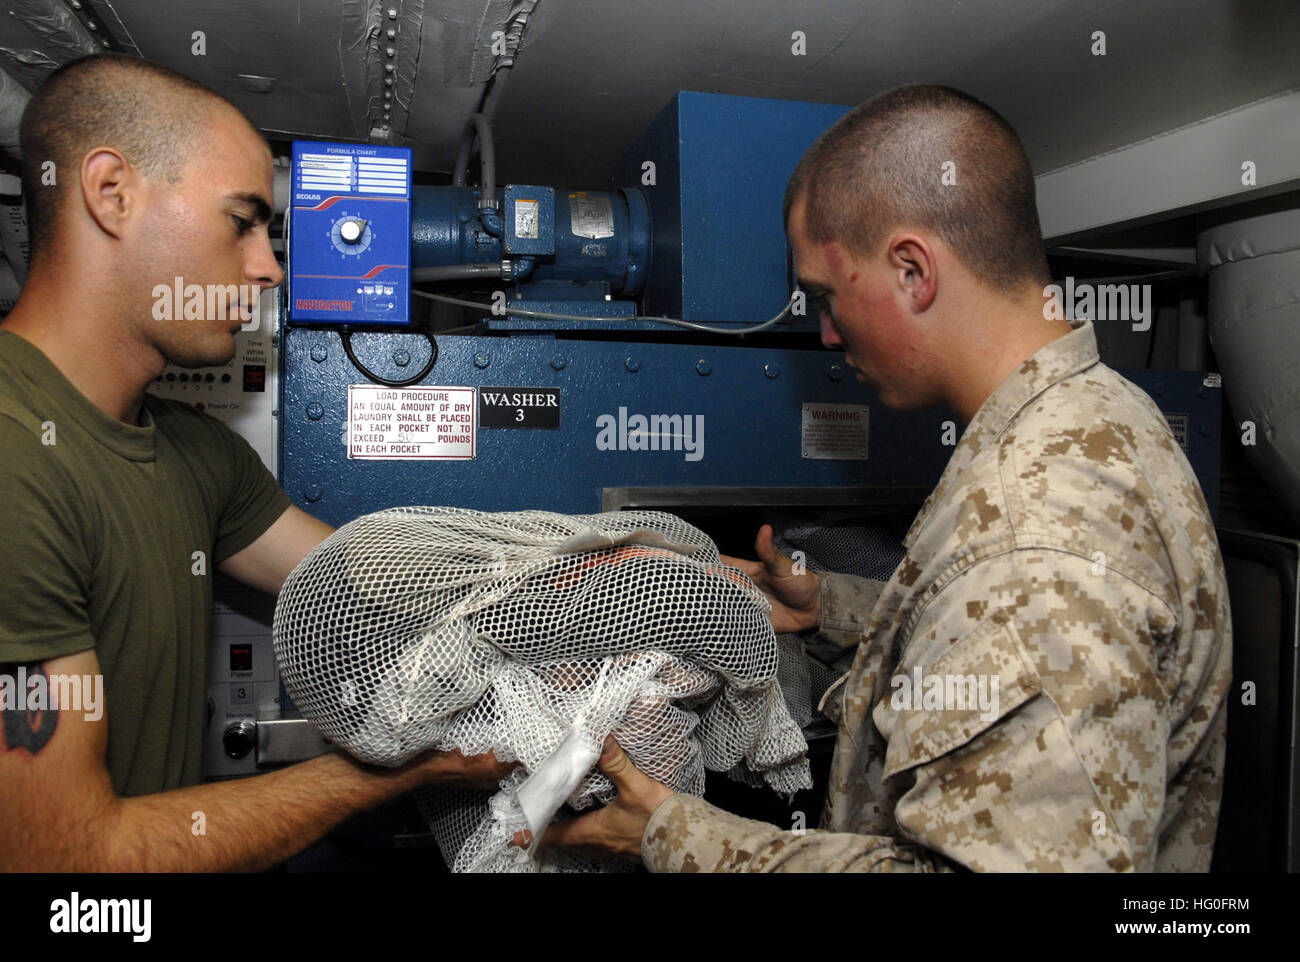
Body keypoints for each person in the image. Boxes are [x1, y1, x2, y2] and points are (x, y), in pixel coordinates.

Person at [534, 84, 1233, 872]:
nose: (826, 332)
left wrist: (669, 833)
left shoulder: (1026, 526)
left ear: (911, 270)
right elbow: (1000, 631)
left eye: (828, 296)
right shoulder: (1106, 415)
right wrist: (830, 604)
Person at [0, 53, 510, 872]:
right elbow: (66, 866)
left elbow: (388, 585)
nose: (270, 268)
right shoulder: (15, 455)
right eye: (241, 221)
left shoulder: (199, 456)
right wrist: (396, 768)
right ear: (110, 194)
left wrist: (674, 586)